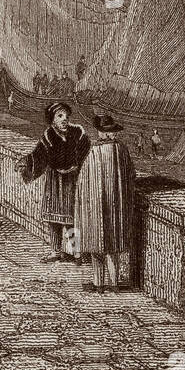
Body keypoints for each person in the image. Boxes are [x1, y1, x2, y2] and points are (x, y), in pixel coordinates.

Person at [16, 102, 91, 263]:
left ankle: (77, 251)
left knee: (72, 218)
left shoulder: (77, 133)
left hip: (72, 181)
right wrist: (26, 162)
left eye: (66, 116)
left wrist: (75, 165)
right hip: (54, 182)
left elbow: (85, 152)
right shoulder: (48, 135)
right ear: (52, 120)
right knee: (53, 219)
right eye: (60, 116)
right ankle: (56, 251)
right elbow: (38, 156)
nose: (65, 119)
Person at [74, 113, 135, 292]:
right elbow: (131, 175)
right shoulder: (121, 149)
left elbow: (83, 181)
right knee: (112, 249)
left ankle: (98, 284)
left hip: (96, 205)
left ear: (101, 133)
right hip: (116, 207)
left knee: (96, 248)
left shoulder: (94, 151)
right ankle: (114, 284)